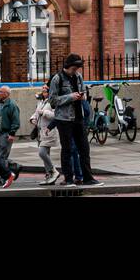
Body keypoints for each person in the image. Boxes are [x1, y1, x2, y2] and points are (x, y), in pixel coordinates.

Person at [48, 54, 99, 187]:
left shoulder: (78, 77)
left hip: (78, 117)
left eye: (77, 67)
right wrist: (70, 97)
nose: (76, 70)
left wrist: (83, 96)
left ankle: (88, 178)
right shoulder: (57, 79)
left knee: (84, 149)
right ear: (68, 66)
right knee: (67, 150)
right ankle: (68, 179)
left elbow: (83, 92)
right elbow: (52, 101)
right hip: (64, 119)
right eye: (74, 67)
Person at [30, 84, 60, 185]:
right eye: (42, 91)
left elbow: (56, 116)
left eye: (45, 91)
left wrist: (44, 112)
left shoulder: (53, 102)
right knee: (45, 156)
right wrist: (33, 118)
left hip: (49, 132)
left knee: (42, 153)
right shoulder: (41, 101)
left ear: (50, 92)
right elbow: (36, 113)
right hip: (40, 132)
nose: (43, 93)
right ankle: (49, 177)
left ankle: (54, 171)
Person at [0, 85, 22, 184]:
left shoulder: (12, 105)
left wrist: (12, 133)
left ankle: (4, 178)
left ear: (7, 94)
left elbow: (16, 121)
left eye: (1, 92)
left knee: (2, 157)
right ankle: (14, 166)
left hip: (6, 134)